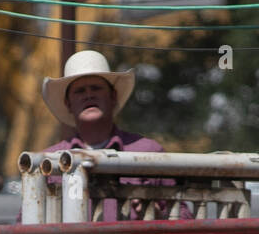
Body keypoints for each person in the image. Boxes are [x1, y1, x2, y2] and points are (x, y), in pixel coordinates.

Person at [39, 49, 187, 223]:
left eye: (96, 88)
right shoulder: (48, 163)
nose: (89, 95)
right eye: (80, 91)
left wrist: (158, 215)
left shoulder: (150, 152)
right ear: (68, 104)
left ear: (113, 96)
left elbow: (184, 218)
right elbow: (26, 224)